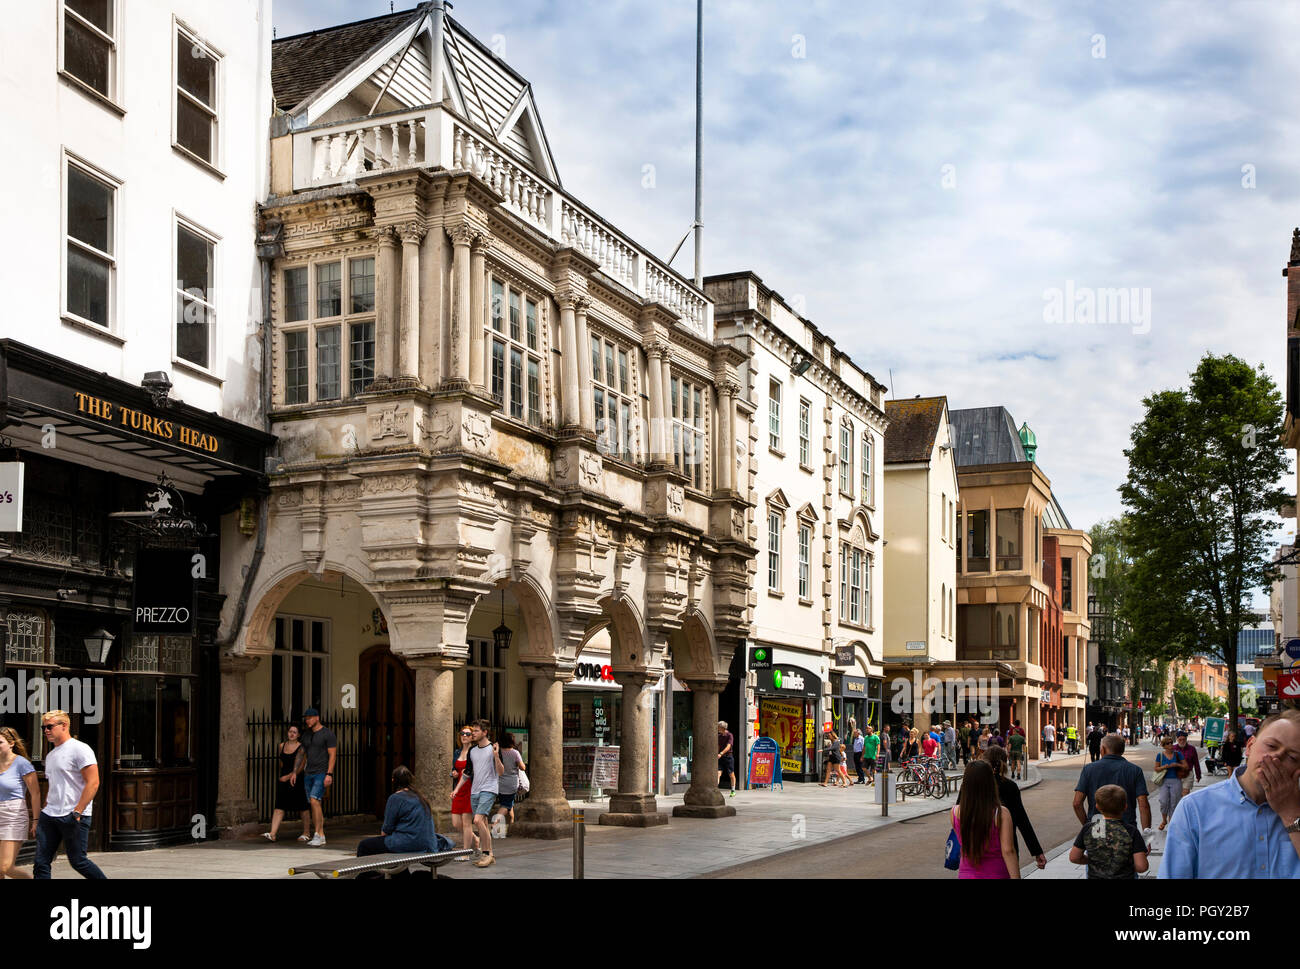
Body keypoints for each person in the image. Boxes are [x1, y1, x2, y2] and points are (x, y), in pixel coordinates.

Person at [1162, 709, 1300, 879]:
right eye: (1271, 746)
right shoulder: (1194, 810)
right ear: (1250, 746)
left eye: (1292, 757)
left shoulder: (1296, 813)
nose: (1276, 757)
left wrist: (1291, 816)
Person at [33, 710, 105, 880]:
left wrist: (78, 812)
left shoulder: (80, 749)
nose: (46, 730)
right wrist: (42, 812)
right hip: (50, 814)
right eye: (44, 727)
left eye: (49, 726)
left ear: (64, 725)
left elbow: (93, 782)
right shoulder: (50, 755)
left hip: (73, 815)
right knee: (41, 862)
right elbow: (55, 786)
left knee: (78, 861)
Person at [356, 766, 451, 865]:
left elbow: (386, 830)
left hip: (409, 843)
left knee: (364, 846)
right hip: (428, 844)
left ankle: (369, 876)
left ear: (394, 780)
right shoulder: (420, 797)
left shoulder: (396, 798)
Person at [951, 760, 1019, 879]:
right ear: (990, 782)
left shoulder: (955, 812)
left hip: (966, 874)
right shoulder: (1001, 813)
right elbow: (1008, 850)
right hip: (996, 873)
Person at [1073, 734, 1152, 833]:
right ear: (1122, 750)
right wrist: (1147, 835)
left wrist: (1087, 826)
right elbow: (1143, 804)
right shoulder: (1134, 770)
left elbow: (1077, 803)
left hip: (1098, 827)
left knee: (1098, 849)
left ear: (1103, 749)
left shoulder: (1089, 769)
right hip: (1126, 828)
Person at [984, 746, 1046, 870]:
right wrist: (1036, 851)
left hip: (976, 847)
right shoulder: (1009, 786)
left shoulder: (972, 785)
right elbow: (1022, 820)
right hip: (1005, 846)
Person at [453, 719, 504, 868]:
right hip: (475, 791)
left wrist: (496, 756)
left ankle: (486, 854)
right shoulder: (473, 751)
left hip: (489, 789)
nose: (473, 733)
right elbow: (467, 773)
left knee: (477, 820)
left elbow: (500, 772)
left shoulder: (493, 748)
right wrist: (456, 790)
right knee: (483, 823)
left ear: (485, 732)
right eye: (473, 731)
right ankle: (490, 854)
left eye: (476, 731)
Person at [1069, 785, 1149, 879]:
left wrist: (1095, 861)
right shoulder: (1131, 831)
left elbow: (1074, 857)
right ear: (1125, 807)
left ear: (1097, 807)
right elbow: (1142, 866)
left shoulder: (1089, 828)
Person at [0, 727, 40, 879]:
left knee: (5, 867)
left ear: (11, 743)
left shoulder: (21, 763)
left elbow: (35, 794)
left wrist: (36, 820)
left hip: (13, 815)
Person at [263, 724, 311, 843]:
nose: (291, 734)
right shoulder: (281, 745)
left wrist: (289, 776)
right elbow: (281, 762)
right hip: (283, 779)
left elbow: (301, 766)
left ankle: (306, 832)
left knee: (302, 807)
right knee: (279, 806)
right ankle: (273, 833)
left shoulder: (301, 747)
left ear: (298, 735)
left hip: (297, 779)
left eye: (294, 732)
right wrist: (283, 777)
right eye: (290, 731)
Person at [299, 708, 337, 847]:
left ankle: (317, 834)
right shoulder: (306, 735)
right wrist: (295, 772)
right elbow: (303, 754)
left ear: (317, 717)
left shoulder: (327, 734)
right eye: (306, 718)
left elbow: (333, 755)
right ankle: (321, 835)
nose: (307, 720)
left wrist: (329, 774)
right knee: (315, 804)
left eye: (309, 718)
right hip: (308, 772)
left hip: (321, 772)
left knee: (315, 800)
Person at [450, 725, 477, 859]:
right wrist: (453, 773)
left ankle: (466, 853)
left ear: (472, 737)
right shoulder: (457, 752)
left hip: (470, 789)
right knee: (456, 823)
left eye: (467, 734)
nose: (464, 736)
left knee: (467, 823)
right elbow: (453, 769)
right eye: (462, 733)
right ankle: (475, 839)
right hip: (458, 790)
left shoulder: (474, 752)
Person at [493, 732, 526, 827]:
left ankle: (512, 823)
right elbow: (522, 767)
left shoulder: (498, 753)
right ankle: (495, 823)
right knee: (506, 805)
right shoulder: (514, 753)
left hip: (499, 783)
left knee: (508, 804)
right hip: (511, 783)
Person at [1154, 736, 1187, 831]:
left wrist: (1177, 764)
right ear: (1163, 745)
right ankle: (1164, 820)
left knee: (1174, 802)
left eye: (1171, 743)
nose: (1170, 745)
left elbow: (1185, 766)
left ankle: (1172, 821)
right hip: (1164, 781)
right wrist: (1164, 767)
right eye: (1168, 743)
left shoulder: (1178, 754)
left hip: (1176, 780)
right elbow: (1156, 768)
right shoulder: (1160, 755)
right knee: (1163, 801)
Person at [1174, 731, 1201, 799]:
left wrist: (1198, 775)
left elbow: (1196, 763)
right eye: (1180, 739)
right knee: (1177, 795)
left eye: (1184, 739)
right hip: (1176, 775)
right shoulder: (1173, 748)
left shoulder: (1192, 749)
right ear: (1177, 739)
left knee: (1185, 794)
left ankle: (1183, 808)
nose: (1182, 741)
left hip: (1188, 774)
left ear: (1186, 739)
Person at [717, 721, 737, 795]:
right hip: (720, 757)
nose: (717, 728)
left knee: (731, 774)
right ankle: (716, 789)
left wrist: (721, 753)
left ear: (722, 728)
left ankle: (733, 790)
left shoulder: (729, 735)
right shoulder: (719, 736)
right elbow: (718, 746)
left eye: (718, 727)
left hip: (728, 757)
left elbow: (728, 746)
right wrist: (717, 753)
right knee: (718, 773)